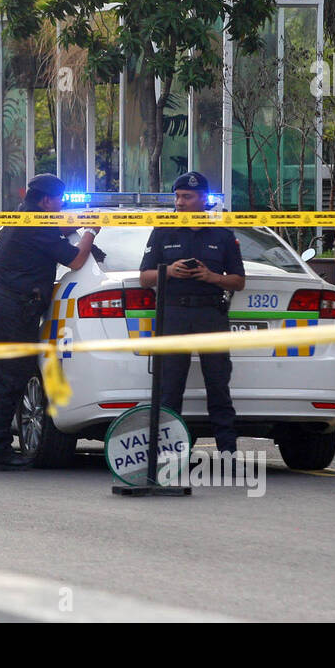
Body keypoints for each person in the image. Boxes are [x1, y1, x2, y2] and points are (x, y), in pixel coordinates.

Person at [0, 173, 97, 471]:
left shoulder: (25, 218)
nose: (61, 206)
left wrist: (77, 223)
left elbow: (57, 228)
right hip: (12, 311)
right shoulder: (38, 224)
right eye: (59, 201)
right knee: (8, 379)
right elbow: (77, 261)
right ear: (45, 201)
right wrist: (92, 230)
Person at [137, 171, 246, 456]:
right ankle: (165, 454)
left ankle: (228, 453)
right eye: (177, 196)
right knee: (169, 388)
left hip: (210, 313)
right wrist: (169, 271)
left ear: (203, 199)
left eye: (187, 197)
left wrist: (212, 277)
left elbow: (238, 280)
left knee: (218, 386)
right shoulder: (163, 230)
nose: (180, 202)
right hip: (173, 312)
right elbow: (144, 278)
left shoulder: (222, 234)